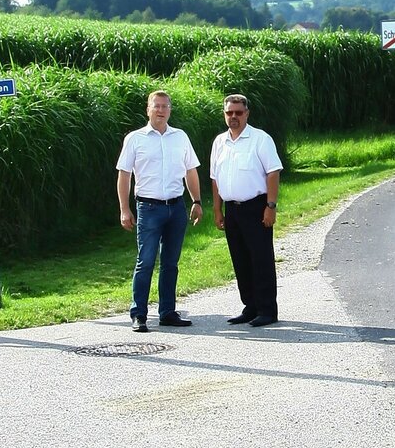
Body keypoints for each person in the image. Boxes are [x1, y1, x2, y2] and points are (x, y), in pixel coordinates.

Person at [115, 91, 203, 330]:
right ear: (148, 109)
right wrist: (125, 209)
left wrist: (196, 201)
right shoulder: (135, 139)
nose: (161, 110)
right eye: (156, 106)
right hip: (148, 208)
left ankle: (167, 312)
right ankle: (139, 314)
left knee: (171, 263)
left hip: (176, 207)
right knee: (145, 261)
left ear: (170, 110)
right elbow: (124, 175)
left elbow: (191, 171)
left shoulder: (180, 137)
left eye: (165, 106)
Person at [210, 93, 282, 327]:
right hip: (232, 209)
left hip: (256, 207)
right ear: (224, 114)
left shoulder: (260, 139)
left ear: (247, 114)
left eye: (238, 113)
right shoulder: (219, 142)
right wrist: (217, 209)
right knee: (240, 259)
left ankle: (267, 310)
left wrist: (270, 206)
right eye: (229, 113)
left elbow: (273, 172)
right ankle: (250, 306)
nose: (233, 117)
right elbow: (215, 178)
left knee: (260, 259)